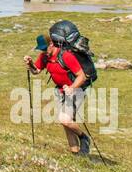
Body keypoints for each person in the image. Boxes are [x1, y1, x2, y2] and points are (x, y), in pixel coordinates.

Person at [25, 21, 91, 156]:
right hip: (60, 91)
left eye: (44, 49)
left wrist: (72, 88)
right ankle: (76, 153)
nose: (43, 52)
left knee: (64, 119)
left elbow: (82, 76)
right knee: (66, 123)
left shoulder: (66, 56)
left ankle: (84, 138)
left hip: (75, 91)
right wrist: (31, 64)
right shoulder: (45, 57)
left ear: (51, 44)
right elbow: (36, 71)